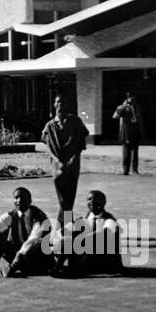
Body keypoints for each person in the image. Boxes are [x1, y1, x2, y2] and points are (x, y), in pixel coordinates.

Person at [41, 94, 91, 270]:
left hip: (73, 165)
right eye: (57, 102)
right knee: (64, 199)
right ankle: (64, 232)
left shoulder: (75, 121)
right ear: (54, 105)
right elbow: (47, 145)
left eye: (63, 102)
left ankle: (61, 231)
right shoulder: (50, 126)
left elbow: (82, 140)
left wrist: (72, 158)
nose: (60, 105)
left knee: (69, 198)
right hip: (58, 168)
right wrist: (59, 161)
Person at [0, 186, 53, 278]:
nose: (19, 200)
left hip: (38, 257)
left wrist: (13, 264)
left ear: (30, 200)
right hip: (20, 257)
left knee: (38, 242)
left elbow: (34, 238)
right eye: (16, 198)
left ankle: (17, 268)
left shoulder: (39, 217)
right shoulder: (10, 215)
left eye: (22, 197)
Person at [64, 189, 123, 276]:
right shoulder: (87, 217)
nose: (92, 201)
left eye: (96, 199)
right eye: (89, 199)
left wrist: (84, 238)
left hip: (106, 259)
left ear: (104, 202)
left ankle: (75, 270)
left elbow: (106, 232)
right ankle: (59, 266)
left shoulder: (109, 219)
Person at [112, 92, 145, 175]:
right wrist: (123, 106)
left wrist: (142, 132)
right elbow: (115, 116)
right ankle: (125, 170)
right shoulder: (122, 107)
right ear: (126, 98)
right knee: (126, 152)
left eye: (133, 97)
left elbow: (140, 120)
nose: (131, 99)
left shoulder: (137, 107)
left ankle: (135, 169)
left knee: (135, 152)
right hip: (126, 131)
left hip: (135, 131)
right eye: (130, 97)